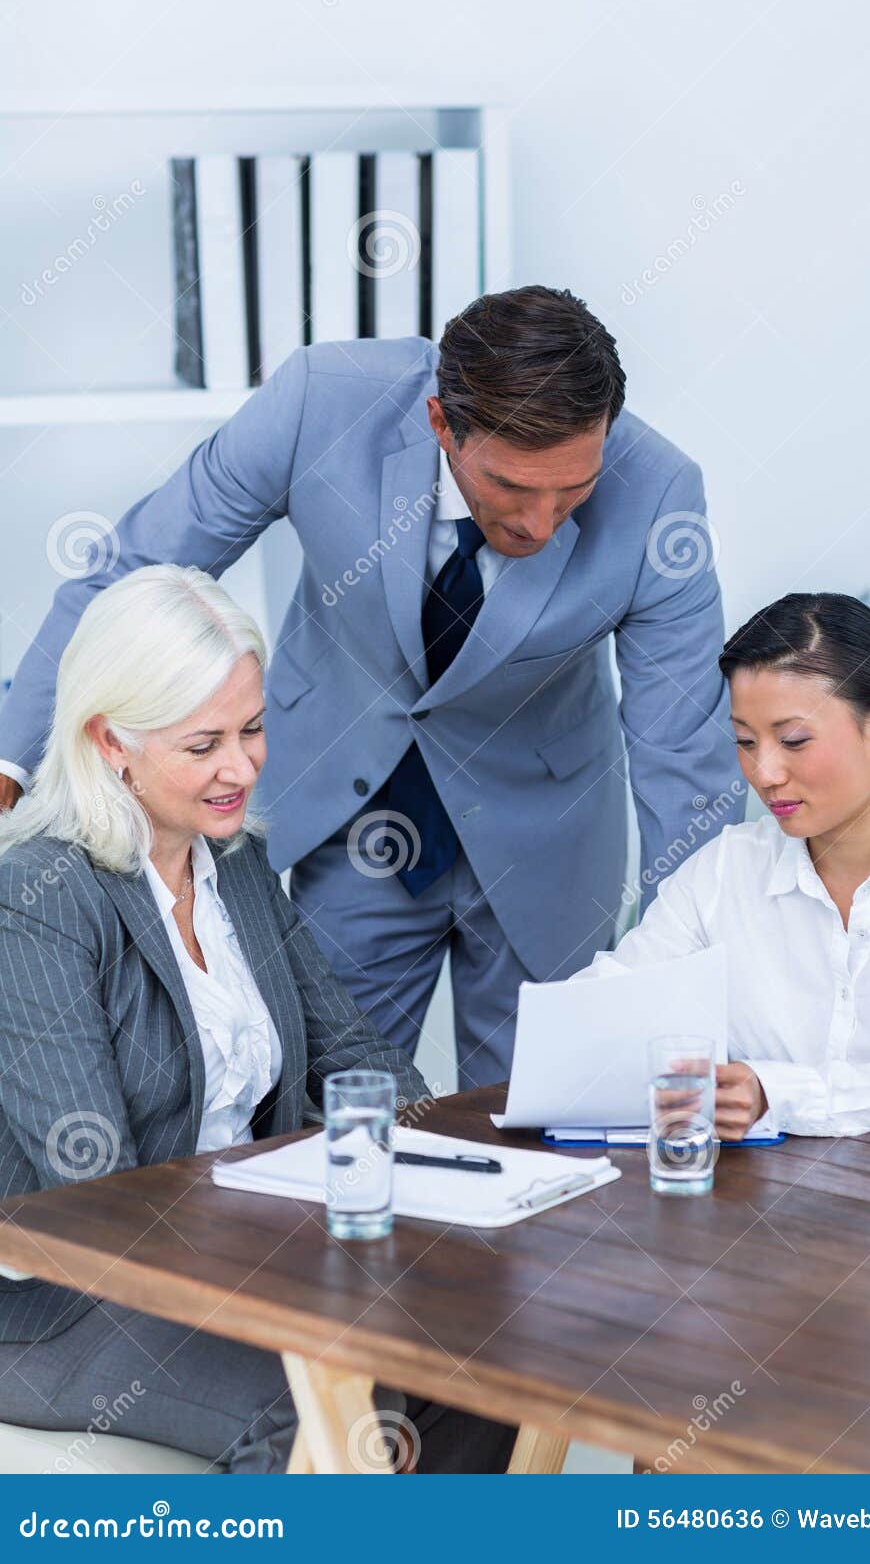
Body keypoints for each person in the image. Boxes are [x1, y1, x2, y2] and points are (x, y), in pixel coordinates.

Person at [0, 286, 740, 1089]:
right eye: (511, 488)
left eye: (572, 491)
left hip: (546, 841)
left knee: (547, 1127)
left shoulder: (659, 490)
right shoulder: (324, 402)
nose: (540, 523)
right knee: (327, 1115)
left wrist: (691, 982)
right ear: (439, 425)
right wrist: (11, 765)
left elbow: (684, 749)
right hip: (351, 818)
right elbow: (127, 577)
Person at [0, 566, 515, 1473]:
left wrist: (457, 1171)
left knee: (482, 1352)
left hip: (233, 1261)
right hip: (68, 1298)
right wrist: (287, 1253)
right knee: (340, 1402)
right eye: (204, 744)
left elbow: (349, 1050)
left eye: (253, 729)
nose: (241, 766)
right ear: (108, 742)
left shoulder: (235, 864)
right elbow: (97, 1186)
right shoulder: (40, 894)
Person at [574, 593, 870, 1147]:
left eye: (794, 740)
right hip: (757, 1211)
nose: (765, 772)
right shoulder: (726, 869)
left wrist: (781, 1094)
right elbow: (609, 1007)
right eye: (745, 742)